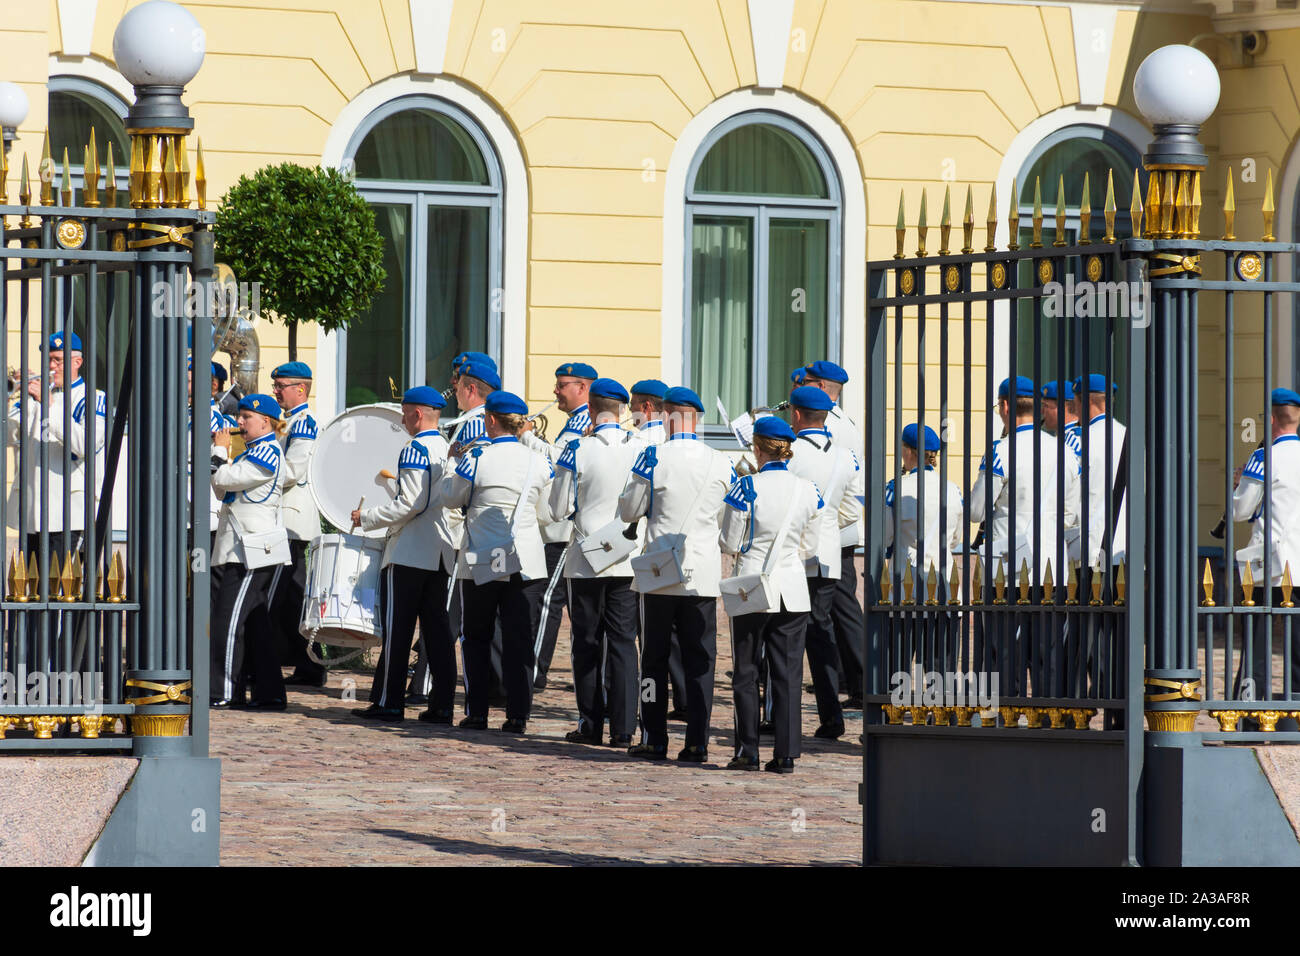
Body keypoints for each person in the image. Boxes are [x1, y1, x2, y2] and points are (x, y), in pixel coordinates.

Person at [619, 386, 734, 762]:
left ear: (666, 416)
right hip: (700, 570)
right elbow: (725, 521)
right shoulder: (720, 461)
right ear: (696, 419)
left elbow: (629, 510)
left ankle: (654, 736)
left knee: (653, 661)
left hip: (658, 571)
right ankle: (697, 741)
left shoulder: (651, 455)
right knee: (700, 661)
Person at [431, 390, 553, 733]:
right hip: (526, 558)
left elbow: (451, 497)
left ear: (489, 420)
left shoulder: (475, 459)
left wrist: (453, 463)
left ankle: (478, 711)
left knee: (477, 637)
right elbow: (547, 511)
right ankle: (518, 715)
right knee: (519, 639)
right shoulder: (540, 461)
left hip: (482, 557)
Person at [721, 416, 822, 773]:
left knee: (746, 671)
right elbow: (811, 546)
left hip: (751, 586)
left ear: (757, 448)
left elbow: (729, 542)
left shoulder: (746, 487)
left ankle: (747, 750)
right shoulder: (809, 490)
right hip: (792, 586)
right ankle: (786, 753)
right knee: (788, 673)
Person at [352, 387, 458, 722]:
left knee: (398, 631)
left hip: (411, 551)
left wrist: (366, 518)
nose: (402, 419)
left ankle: (390, 701)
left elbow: (410, 503)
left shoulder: (415, 448)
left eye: (404, 412)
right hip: (439, 551)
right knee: (437, 633)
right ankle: (441, 704)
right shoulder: (444, 448)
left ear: (416, 413)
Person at [968, 376, 1079, 695]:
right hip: (1050, 564)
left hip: (1006, 564)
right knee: (1047, 649)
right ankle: (1049, 718)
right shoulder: (1066, 451)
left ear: (1004, 407)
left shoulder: (1000, 451)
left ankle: (1004, 718)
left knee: (1003, 651)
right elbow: (1071, 512)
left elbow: (976, 511)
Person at [548, 377, 643, 747]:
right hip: (626, 556)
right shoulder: (642, 448)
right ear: (621, 411)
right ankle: (623, 728)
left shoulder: (577, 448)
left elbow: (558, 509)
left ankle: (591, 722)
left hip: (587, 558)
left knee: (586, 642)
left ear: (590, 409)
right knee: (623, 641)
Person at [786, 385, 861, 740]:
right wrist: (826, 525)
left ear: (797, 415)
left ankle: (779, 713)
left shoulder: (791, 452)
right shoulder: (847, 457)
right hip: (827, 553)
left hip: (791, 552)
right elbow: (851, 511)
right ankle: (831, 716)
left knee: (784, 633)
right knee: (821, 634)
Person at [209, 394, 290, 709]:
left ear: (265, 421)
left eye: (246, 418)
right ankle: (270, 693)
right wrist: (221, 457)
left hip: (251, 551)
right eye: (239, 417)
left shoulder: (267, 453)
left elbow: (223, 478)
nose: (239, 423)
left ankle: (223, 691)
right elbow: (220, 486)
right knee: (256, 626)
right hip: (238, 548)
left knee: (227, 622)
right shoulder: (251, 453)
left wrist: (219, 450)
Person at [521, 361, 595, 691]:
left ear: (582, 388)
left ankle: (534, 670)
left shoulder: (583, 423)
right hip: (557, 525)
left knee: (550, 600)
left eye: (562, 385)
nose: (555, 391)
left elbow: (559, 459)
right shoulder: (575, 422)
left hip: (566, 527)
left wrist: (527, 438)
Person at [7, 331, 107, 561]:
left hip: (67, 514)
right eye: (49, 360)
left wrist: (49, 406)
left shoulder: (92, 397)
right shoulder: (35, 397)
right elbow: (8, 436)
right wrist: (15, 397)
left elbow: (86, 444)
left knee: (59, 589)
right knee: (32, 589)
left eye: (58, 360)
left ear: (77, 362)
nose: (52, 366)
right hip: (32, 513)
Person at [801, 359, 865, 705]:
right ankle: (844, 677)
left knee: (838, 608)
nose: (800, 385)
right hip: (835, 528)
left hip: (832, 530)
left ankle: (858, 678)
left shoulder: (835, 427)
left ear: (823, 387)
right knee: (836, 608)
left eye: (807, 381)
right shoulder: (839, 421)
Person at [1232, 388, 1300, 702]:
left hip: (1270, 565)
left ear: (1271, 419)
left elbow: (1240, 510)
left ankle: (1250, 704)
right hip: (1298, 567)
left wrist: (1238, 482)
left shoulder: (1263, 457)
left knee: (1257, 639)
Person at [629, 377, 689, 715]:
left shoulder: (641, 444)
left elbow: (631, 502)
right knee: (682, 636)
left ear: (647, 408)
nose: (630, 415)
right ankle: (682, 698)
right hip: (684, 545)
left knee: (651, 639)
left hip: (646, 545)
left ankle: (650, 708)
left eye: (633, 408)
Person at [267, 361, 326, 688]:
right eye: (275, 385)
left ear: (300, 389)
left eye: (281, 386)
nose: (276, 391)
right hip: (284, 517)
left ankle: (309, 664)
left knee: (294, 594)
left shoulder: (304, 424)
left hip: (293, 518)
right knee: (290, 595)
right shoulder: (288, 421)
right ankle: (301, 662)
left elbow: (292, 470)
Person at [1072, 374, 1127, 568]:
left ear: (1086, 402)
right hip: (1126, 545)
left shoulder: (1079, 440)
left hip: (1090, 546)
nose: (1074, 409)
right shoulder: (1126, 435)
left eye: (1076, 403)